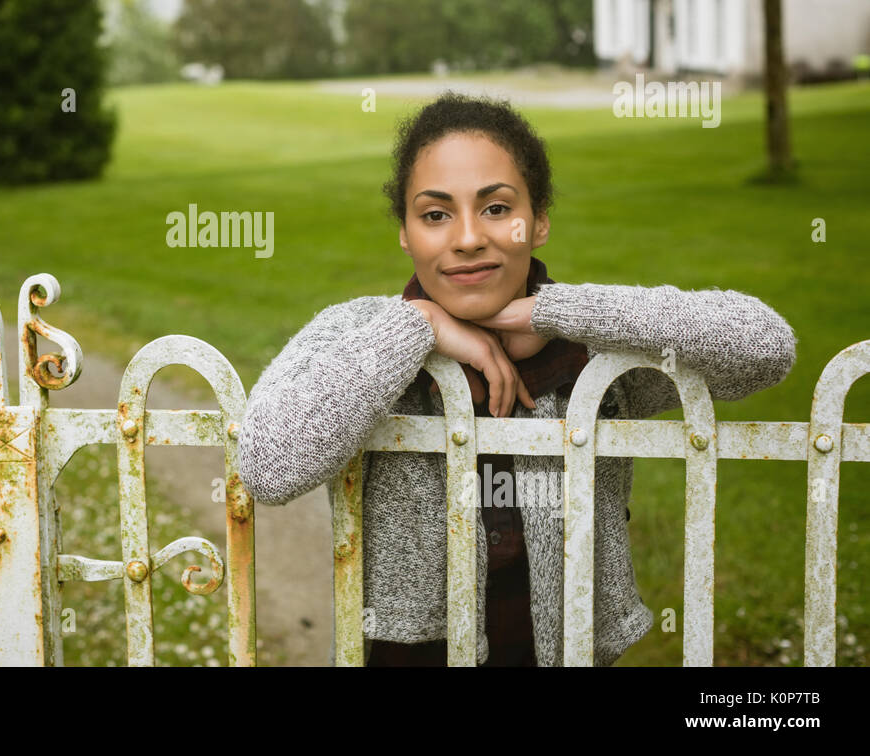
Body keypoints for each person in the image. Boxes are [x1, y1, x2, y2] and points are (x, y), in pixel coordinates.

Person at [235, 93, 798, 667]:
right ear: (405, 232)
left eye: (497, 208)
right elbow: (269, 467)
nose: (467, 238)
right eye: (435, 215)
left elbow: (763, 348)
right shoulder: (361, 335)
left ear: (540, 221)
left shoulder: (593, 356)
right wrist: (417, 326)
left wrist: (553, 312)